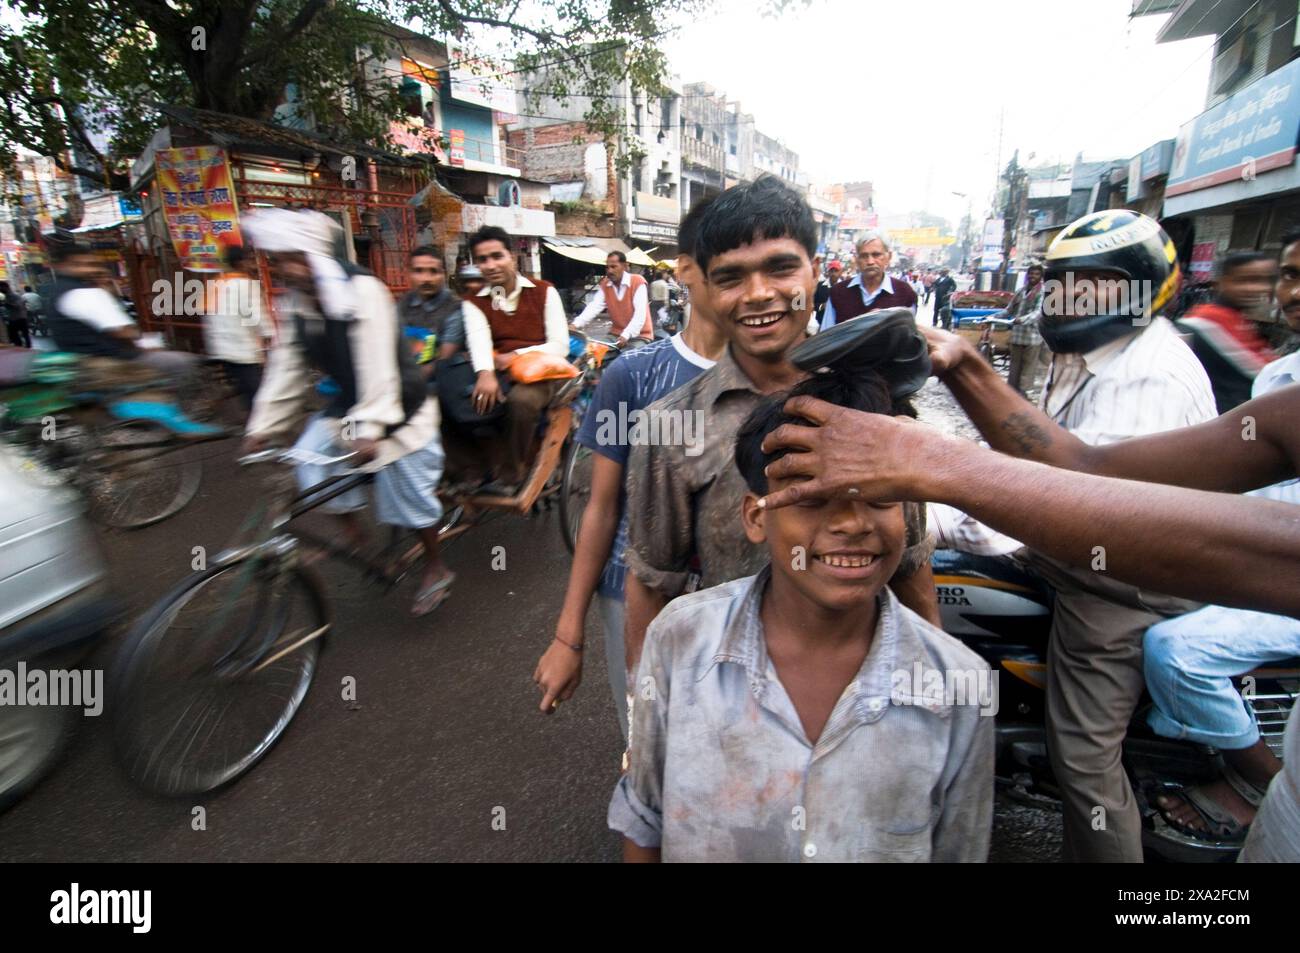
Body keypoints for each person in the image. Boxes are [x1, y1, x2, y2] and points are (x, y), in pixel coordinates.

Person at [609, 367, 994, 863]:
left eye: (880, 495)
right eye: (811, 498)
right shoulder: (679, 640)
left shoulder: (959, 688)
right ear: (756, 517)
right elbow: (645, 817)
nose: (852, 523)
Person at [621, 177, 940, 691]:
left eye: (780, 267)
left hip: (870, 695)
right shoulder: (671, 426)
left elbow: (911, 569)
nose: (758, 294)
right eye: (730, 277)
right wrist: (648, 710)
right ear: (706, 290)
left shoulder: (876, 405)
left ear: (815, 271)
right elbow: (653, 582)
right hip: (730, 696)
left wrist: (932, 690)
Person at [533, 198, 729, 735]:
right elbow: (602, 508)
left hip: (738, 600)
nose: (750, 288)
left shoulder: (782, 381)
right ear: (686, 269)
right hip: (631, 591)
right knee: (647, 738)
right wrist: (568, 633)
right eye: (726, 267)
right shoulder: (632, 378)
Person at [239, 208, 455, 617]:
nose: (286, 269)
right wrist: (263, 426)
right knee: (309, 462)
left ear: (314, 256)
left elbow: (377, 363)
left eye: (294, 258)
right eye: (279, 260)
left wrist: (371, 428)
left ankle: (435, 565)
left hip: (400, 405)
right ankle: (360, 541)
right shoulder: (297, 302)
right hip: (349, 406)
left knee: (406, 490)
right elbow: (287, 364)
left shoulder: (363, 290)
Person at [453, 225, 570, 490]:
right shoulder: (474, 302)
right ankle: (470, 469)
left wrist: (516, 355)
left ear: (512, 257)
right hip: (498, 371)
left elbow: (560, 345)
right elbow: (479, 338)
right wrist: (485, 373)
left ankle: (512, 472)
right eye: (483, 259)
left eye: (497, 256)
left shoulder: (544, 291)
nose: (491, 265)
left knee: (521, 402)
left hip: (542, 372)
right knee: (447, 396)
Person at [45, 237, 198, 390]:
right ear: (63, 266)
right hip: (108, 362)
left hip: (79, 362)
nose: (90, 270)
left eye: (92, 265)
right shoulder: (87, 293)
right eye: (83, 265)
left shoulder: (56, 292)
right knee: (182, 362)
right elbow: (126, 333)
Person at [1175, 251, 1278, 413]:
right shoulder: (1199, 326)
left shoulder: (1242, 323)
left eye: (1265, 280)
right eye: (1246, 280)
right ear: (1221, 282)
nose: (1258, 288)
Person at [202, 244, 271, 413]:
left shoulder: (215, 284)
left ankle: (250, 418)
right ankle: (259, 423)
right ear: (241, 262)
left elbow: (208, 317)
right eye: (250, 260)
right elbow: (255, 316)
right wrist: (268, 335)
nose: (252, 264)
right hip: (242, 348)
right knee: (255, 392)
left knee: (244, 388)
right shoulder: (245, 285)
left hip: (222, 349)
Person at [820, 233, 917, 330]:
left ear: (888, 257)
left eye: (876, 255)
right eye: (864, 256)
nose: (870, 261)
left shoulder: (905, 293)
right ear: (857, 259)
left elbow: (910, 334)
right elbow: (827, 333)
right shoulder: (838, 292)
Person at [397, 245, 464, 375]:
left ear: (443, 274)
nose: (426, 278)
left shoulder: (454, 308)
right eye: (418, 271)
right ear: (409, 274)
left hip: (439, 379)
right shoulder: (403, 304)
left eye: (433, 271)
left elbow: (441, 362)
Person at [573, 251, 654, 347]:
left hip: (640, 336)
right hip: (615, 335)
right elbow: (594, 306)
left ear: (625, 266)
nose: (609, 271)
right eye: (607, 267)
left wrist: (626, 334)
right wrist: (575, 324)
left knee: (629, 355)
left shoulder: (637, 281)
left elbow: (640, 314)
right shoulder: (605, 284)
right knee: (592, 352)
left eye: (613, 267)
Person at [999, 262, 1045, 395]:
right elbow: (1009, 309)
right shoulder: (1021, 291)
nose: (1033, 276)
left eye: (1036, 274)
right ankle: (1011, 392)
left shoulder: (1043, 292)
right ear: (1027, 275)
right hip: (1017, 335)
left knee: (1028, 367)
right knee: (1014, 367)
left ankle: (1023, 393)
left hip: (1033, 336)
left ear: (1041, 276)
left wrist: (1022, 320)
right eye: (1031, 273)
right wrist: (993, 316)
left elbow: (1039, 312)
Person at [0, 281, 29, 348]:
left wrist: (6, 304)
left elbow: (18, 306)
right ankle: (20, 347)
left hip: (19, 317)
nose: (0, 290)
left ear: (5, 287)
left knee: (24, 335)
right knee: (15, 335)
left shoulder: (14, 296)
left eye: (1, 288)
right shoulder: (7, 296)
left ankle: (26, 347)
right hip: (13, 318)